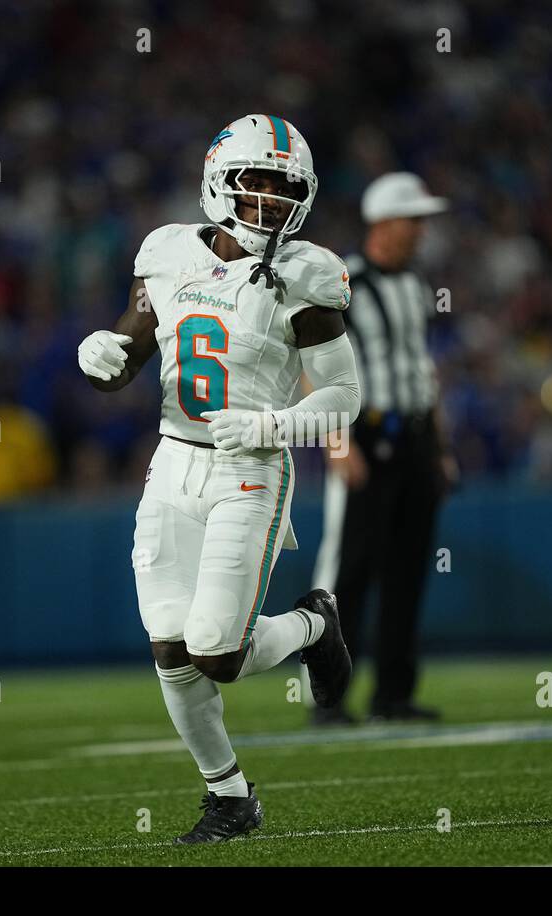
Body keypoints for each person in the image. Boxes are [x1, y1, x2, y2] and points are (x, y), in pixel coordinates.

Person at [77, 114, 360, 843]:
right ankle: (230, 797)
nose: (268, 200)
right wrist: (101, 353)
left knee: (217, 652)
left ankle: (312, 627)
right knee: (170, 646)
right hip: (173, 463)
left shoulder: (308, 273)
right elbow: (133, 348)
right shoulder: (167, 251)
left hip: (251, 469)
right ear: (217, 181)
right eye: (254, 182)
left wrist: (273, 425)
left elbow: (344, 399)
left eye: (283, 187)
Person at [309, 172, 458, 724]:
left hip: (414, 434)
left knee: (409, 568)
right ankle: (329, 696)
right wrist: (337, 442)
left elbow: (423, 370)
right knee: (350, 568)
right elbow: (313, 364)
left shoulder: (414, 285)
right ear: (386, 222)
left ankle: (392, 693)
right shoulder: (341, 281)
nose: (421, 231)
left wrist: (440, 446)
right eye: (414, 219)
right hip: (364, 433)